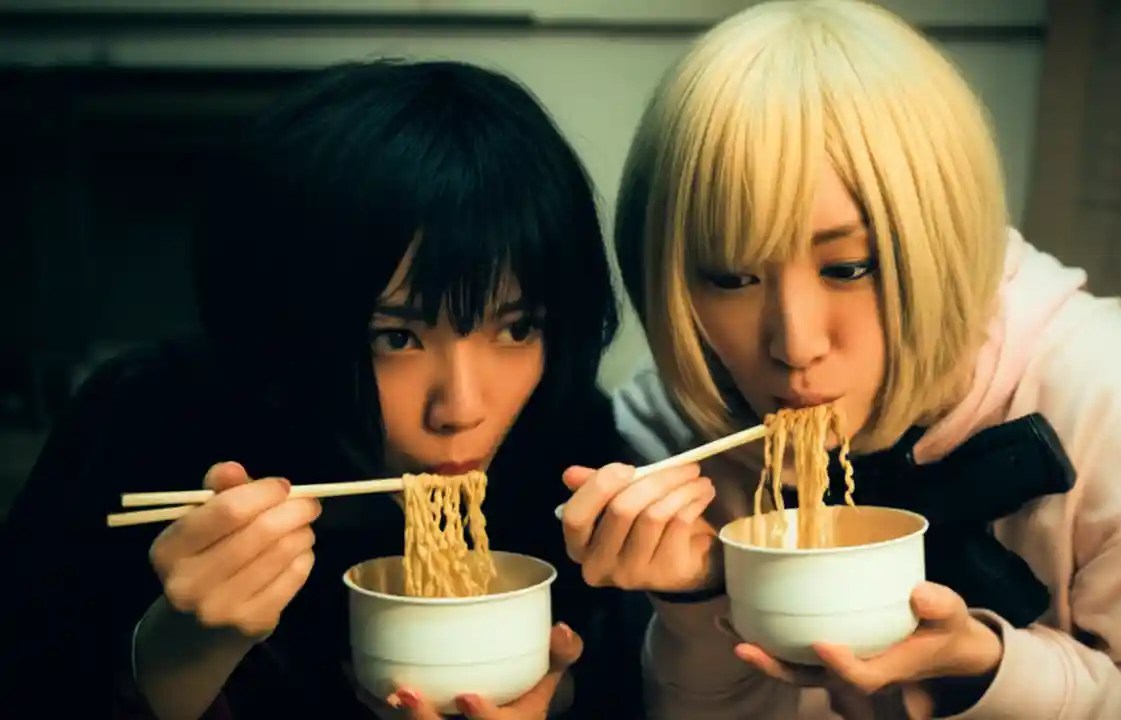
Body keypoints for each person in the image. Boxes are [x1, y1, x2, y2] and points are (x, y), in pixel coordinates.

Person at [558, 1, 1121, 718]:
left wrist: (992, 677)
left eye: (848, 268)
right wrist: (696, 603)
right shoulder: (676, 432)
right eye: (732, 278)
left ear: (937, 242)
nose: (795, 345)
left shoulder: (1098, 393)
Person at [0, 60, 644, 719]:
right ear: (289, 320)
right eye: (395, 337)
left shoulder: (568, 442)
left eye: (517, 328)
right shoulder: (145, 417)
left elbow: (624, 679)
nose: (462, 409)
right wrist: (177, 656)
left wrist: (564, 697)